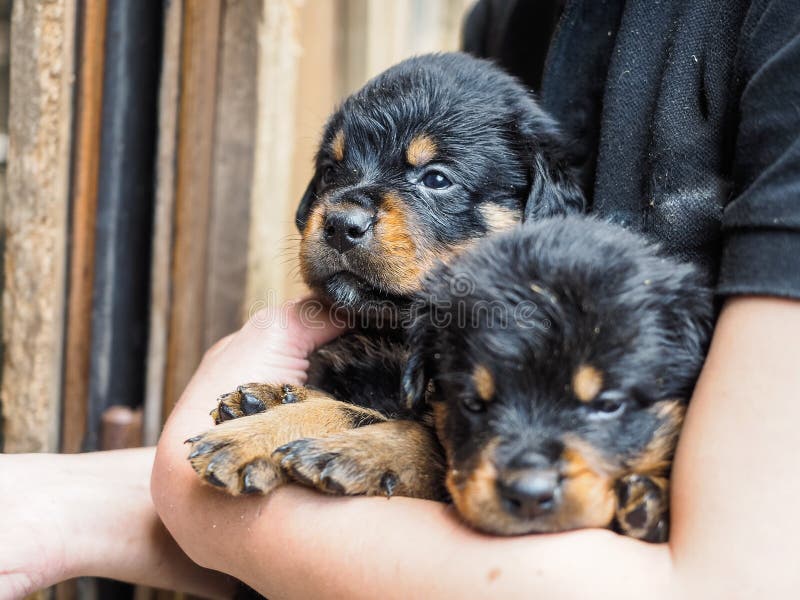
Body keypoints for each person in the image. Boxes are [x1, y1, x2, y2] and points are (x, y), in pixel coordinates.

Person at [4, 0, 800, 597]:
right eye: (336, 174)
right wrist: (70, 502)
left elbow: (731, 581)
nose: (347, 211)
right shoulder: (512, 18)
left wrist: (176, 495)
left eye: (436, 181)